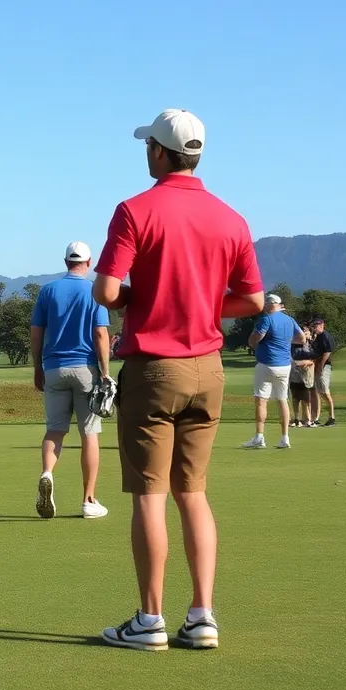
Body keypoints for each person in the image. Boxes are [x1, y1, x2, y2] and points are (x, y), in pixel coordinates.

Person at [92, 109, 263, 650]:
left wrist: (147, 298)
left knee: (149, 494)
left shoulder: (134, 210)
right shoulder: (231, 218)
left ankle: (148, 620)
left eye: (149, 147)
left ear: (160, 153)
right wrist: (203, 305)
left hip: (153, 366)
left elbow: (105, 291)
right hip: (208, 369)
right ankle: (202, 615)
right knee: (194, 493)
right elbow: (253, 300)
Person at [30, 241, 112, 520]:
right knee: (89, 433)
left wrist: (37, 368)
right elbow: (101, 334)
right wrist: (105, 372)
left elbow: (36, 333)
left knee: (55, 430)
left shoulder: (48, 291)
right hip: (86, 369)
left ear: (65, 262)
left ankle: (47, 472)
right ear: (89, 262)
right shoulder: (94, 291)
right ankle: (89, 500)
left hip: (53, 368)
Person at [241, 295, 304, 449]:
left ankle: (259, 437)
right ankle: (285, 438)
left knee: (261, 400)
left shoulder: (266, 319)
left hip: (266, 364)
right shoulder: (289, 320)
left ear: (271, 304)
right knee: (282, 399)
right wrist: (284, 340)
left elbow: (254, 340)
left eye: (266, 303)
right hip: (284, 366)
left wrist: (256, 343)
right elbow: (301, 339)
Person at [309, 319, 337, 426]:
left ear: (322, 325)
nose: (315, 327)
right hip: (318, 366)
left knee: (325, 392)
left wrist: (320, 366)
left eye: (316, 325)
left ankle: (332, 417)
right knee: (319, 392)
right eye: (314, 325)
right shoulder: (318, 337)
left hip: (324, 367)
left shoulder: (325, 336)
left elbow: (327, 352)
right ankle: (316, 417)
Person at [290, 326, 317, 426]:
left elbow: (314, 357)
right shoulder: (293, 345)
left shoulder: (310, 345)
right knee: (295, 398)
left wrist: (308, 361)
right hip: (294, 374)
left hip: (306, 376)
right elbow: (290, 359)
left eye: (305, 332)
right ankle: (297, 419)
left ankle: (308, 419)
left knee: (306, 398)